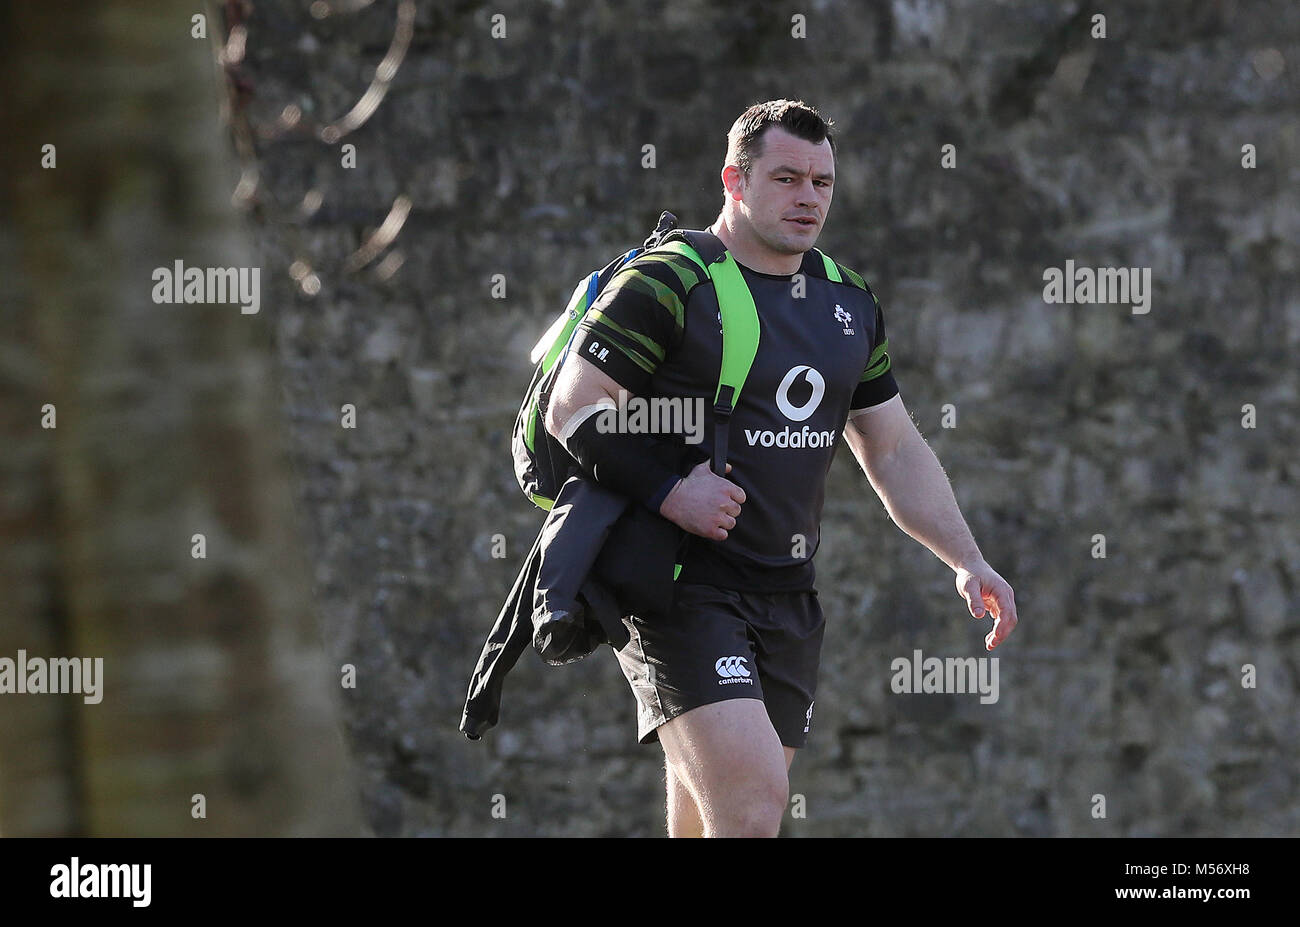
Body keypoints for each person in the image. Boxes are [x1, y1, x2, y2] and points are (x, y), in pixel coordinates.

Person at [543, 99, 1018, 837]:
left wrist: (966, 556)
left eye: (822, 182)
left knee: (711, 818)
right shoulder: (672, 282)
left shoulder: (848, 300)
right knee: (755, 809)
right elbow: (572, 409)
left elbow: (891, 447)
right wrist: (672, 491)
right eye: (788, 177)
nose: (808, 198)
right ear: (735, 180)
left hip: (787, 596)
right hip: (678, 586)